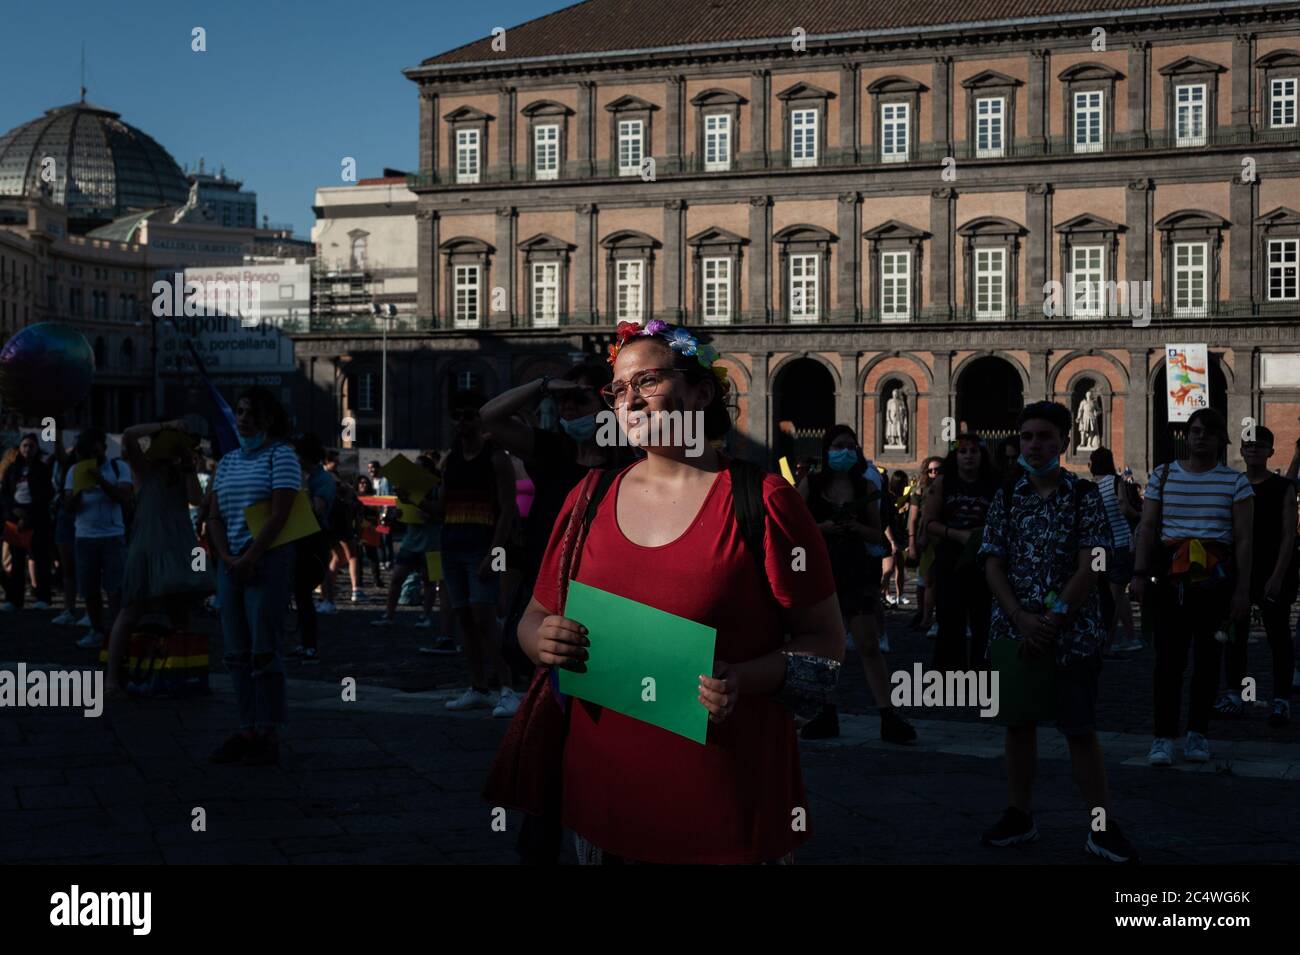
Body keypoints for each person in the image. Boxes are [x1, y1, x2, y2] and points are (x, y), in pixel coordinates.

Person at [516, 320, 844, 864]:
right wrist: (540, 640)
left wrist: (742, 677)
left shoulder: (764, 501)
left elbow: (825, 643)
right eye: (618, 389)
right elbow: (535, 616)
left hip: (725, 793)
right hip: (605, 795)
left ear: (700, 390)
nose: (629, 400)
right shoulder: (587, 496)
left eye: (646, 381)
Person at [979, 401, 1136, 863]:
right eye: (1027, 436)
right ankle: (1019, 813)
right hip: (1015, 632)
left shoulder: (1083, 495)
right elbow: (991, 563)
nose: (1034, 444)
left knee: (1080, 729)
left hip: (1074, 634)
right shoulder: (1006, 497)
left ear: (1065, 442)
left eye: (1045, 436)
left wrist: (1054, 617)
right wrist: (1020, 618)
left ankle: (1100, 824)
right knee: (1018, 726)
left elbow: (1094, 562)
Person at [1133, 408, 1253, 767]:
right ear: (1186, 435)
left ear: (1221, 439)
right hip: (1170, 578)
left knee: (1207, 660)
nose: (1200, 437)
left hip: (1215, 580)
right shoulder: (1162, 475)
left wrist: (1243, 591)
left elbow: (1245, 539)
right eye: (1195, 430)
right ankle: (1163, 737)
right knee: (1167, 661)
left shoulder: (1236, 482)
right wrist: (1138, 573)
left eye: (1209, 432)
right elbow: (1149, 526)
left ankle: (1198, 733)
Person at [797, 426, 916, 744]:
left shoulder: (865, 487)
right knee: (826, 645)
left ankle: (887, 714)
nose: (845, 451)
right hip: (821, 570)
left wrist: (857, 527)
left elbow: (879, 536)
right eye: (838, 446)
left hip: (857, 570)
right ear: (827, 449)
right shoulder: (811, 484)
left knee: (867, 643)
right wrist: (823, 527)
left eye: (851, 446)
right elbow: (793, 524)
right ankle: (826, 711)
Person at [206, 387, 300, 766]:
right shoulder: (226, 461)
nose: (241, 418)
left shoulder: (282, 455)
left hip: (268, 562)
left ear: (268, 419)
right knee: (235, 652)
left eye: (249, 412)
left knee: (264, 649)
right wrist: (228, 556)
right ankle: (246, 726)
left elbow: (280, 514)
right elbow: (213, 515)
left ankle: (268, 729)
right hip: (231, 564)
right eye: (239, 411)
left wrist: (251, 555)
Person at [107, 419, 213, 695]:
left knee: (180, 612)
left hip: (176, 546)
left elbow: (197, 499)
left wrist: (188, 463)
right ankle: (111, 679)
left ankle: (183, 669)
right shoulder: (144, 469)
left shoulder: (181, 472)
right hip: (149, 546)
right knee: (131, 611)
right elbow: (129, 433)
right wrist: (165, 427)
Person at [441, 391, 519, 716]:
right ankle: (478, 687)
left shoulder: (496, 458)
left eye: (469, 415)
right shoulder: (451, 457)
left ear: (481, 419)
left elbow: (508, 509)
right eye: (458, 415)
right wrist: (414, 496)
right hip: (452, 545)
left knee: (486, 620)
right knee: (465, 619)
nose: (463, 421)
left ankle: (508, 688)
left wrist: (494, 553)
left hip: (481, 546)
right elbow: (443, 503)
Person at [1218, 426, 1295, 726]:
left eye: (1259, 446)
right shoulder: (1234, 485)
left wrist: (1277, 576)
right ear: (1241, 450)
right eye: (1248, 446)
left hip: (1274, 569)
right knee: (1235, 636)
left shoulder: (1283, 487)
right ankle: (1237, 695)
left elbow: (1289, 536)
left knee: (1278, 638)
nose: (1253, 451)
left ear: (1270, 452)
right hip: (1240, 570)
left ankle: (1281, 700)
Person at [923, 434, 997, 671]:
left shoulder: (993, 483)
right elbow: (929, 522)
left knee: (983, 619)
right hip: (950, 558)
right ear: (955, 456)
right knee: (950, 619)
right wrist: (957, 534)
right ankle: (949, 674)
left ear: (981, 455)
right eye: (963, 452)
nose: (968, 457)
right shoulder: (943, 482)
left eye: (973, 451)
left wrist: (981, 532)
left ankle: (981, 671)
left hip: (983, 560)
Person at [64, 428, 134, 650]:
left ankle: (117, 633)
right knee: (90, 589)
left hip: (113, 536)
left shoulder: (118, 467)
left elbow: (124, 497)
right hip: (84, 537)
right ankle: (96, 630)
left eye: (97, 453)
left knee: (115, 588)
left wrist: (100, 481)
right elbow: (68, 507)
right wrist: (78, 490)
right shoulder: (75, 471)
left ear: (104, 448)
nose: (93, 458)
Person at [371, 453, 442, 633]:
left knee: (429, 581)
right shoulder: (407, 487)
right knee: (396, 578)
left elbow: (441, 510)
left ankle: (426, 616)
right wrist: (398, 515)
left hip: (432, 540)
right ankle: (389, 615)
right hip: (411, 539)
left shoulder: (436, 487)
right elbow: (402, 510)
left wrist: (430, 514)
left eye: (419, 466)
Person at [288, 433, 336, 662]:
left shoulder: (323, 480)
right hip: (292, 537)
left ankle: (309, 644)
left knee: (303, 594)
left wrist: (303, 484)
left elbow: (316, 510)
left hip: (312, 539)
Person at [1089, 447, 1141, 653]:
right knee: (1114, 596)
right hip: (1121, 544)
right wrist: (1139, 516)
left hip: (1101, 548)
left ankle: (1125, 638)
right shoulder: (1115, 481)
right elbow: (1124, 507)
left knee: (1115, 594)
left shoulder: (1090, 486)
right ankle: (1112, 643)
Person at [1, 433, 55, 611]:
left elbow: (46, 495)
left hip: (36, 519)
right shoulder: (12, 469)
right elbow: (6, 494)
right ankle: (14, 599)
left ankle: (43, 598)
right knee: (16, 562)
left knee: (40, 560)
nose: (27, 449)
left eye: (31, 446)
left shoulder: (42, 469)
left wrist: (28, 516)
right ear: (19, 448)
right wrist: (14, 514)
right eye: (24, 446)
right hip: (14, 520)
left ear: (37, 448)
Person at [907, 456, 944, 636]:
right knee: (925, 581)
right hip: (926, 540)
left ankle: (928, 619)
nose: (934, 474)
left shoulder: (948, 488)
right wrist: (912, 542)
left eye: (937, 470)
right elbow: (913, 519)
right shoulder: (920, 491)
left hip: (944, 539)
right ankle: (924, 616)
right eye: (930, 470)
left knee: (932, 581)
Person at [50, 432, 84, 627]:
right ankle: (68, 609)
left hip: (84, 518)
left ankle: (89, 611)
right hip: (66, 515)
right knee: (68, 568)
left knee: (87, 568)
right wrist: (57, 434)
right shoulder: (68, 465)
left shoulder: (99, 466)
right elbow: (60, 454)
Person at [881, 469, 910, 608]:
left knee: (900, 566)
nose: (906, 485)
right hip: (890, 535)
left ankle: (900, 594)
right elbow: (887, 520)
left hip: (899, 534)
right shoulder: (889, 497)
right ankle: (884, 594)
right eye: (904, 483)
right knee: (889, 568)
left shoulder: (904, 496)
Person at [355, 474, 385, 589]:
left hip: (371, 529)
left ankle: (377, 580)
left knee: (373, 556)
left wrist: (381, 529)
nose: (363, 484)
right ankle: (359, 580)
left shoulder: (373, 497)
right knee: (358, 557)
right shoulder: (354, 497)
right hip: (357, 529)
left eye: (366, 482)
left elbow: (378, 515)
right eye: (361, 482)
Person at [366, 459, 395, 570]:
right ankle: (382, 560)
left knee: (385, 538)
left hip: (384, 514)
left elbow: (387, 498)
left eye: (372, 467)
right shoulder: (372, 481)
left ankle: (388, 560)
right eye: (369, 468)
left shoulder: (385, 480)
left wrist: (384, 515)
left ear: (378, 468)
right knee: (378, 539)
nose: (370, 470)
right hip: (375, 515)